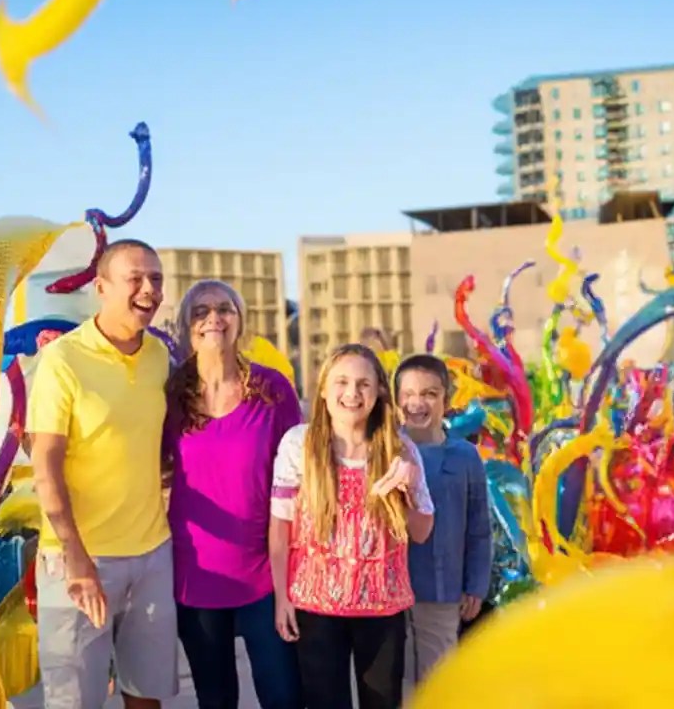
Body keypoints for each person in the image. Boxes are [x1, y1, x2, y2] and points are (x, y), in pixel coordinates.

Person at [27, 238, 178, 709]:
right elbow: (45, 465)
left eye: (156, 279)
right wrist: (75, 557)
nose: (149, 289)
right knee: (74, 702)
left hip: (152, 554)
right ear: (101, 287)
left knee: (147, 695)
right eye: (135, 278)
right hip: (79, 560)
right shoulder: (63, 361)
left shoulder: (158, 358)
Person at [269, 344, 436, 709]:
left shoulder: (400, 449)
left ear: (378, 392)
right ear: (324, 388)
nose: (352, 393)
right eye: (342, 381)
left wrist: (407, 490)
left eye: (364, 384)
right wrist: (281, 598)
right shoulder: (299, 444)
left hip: (382, 609)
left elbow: (421, 531)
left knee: (382, 702)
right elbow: (280, 527)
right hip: (316, 607)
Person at [164, 279, 304, 709]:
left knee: (283, 694)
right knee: (216, 698)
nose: (214, 319)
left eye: (224, 309)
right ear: (186, 326)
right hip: (196, 572)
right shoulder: (169, 396)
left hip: (266, 572)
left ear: (239, 320)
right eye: (201, 312)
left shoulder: (273, 389)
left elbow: (301, 474)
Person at [393, 354, 492, 683]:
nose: (417, 403)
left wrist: (475, 585)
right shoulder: (383, 451)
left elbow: (479, 528)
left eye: (429, 394)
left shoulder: (465, 455)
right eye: (408, 395)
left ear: (446, 401)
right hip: (388, 594)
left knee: (438, 682)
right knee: (396, 684)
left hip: (442, 592)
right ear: (395, 402)